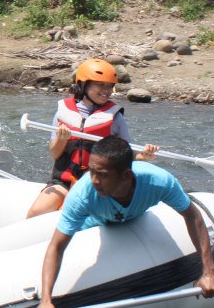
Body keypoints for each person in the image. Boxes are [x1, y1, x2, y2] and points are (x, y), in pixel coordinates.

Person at [31, 136, 214, 308]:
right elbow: (57, 246)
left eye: (103, 175)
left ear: (126, 176)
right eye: (92, 172)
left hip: (134, 217)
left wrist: (209, 271)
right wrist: (46, 299)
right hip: (92, 225)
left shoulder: (158, 181)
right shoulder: (82, 195)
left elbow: (193, 215)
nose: (94, 180)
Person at [26, 58, 160, 219]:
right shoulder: (62, 112)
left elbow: (126, 155)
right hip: (64, 179)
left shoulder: (115, 118)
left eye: (109, 86)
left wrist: (143, 156)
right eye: (100, 84)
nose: (107, 90)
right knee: (36, 212)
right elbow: (54, 154)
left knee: (68, 211)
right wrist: (61, 139)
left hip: (96, 181)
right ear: (83, 85)